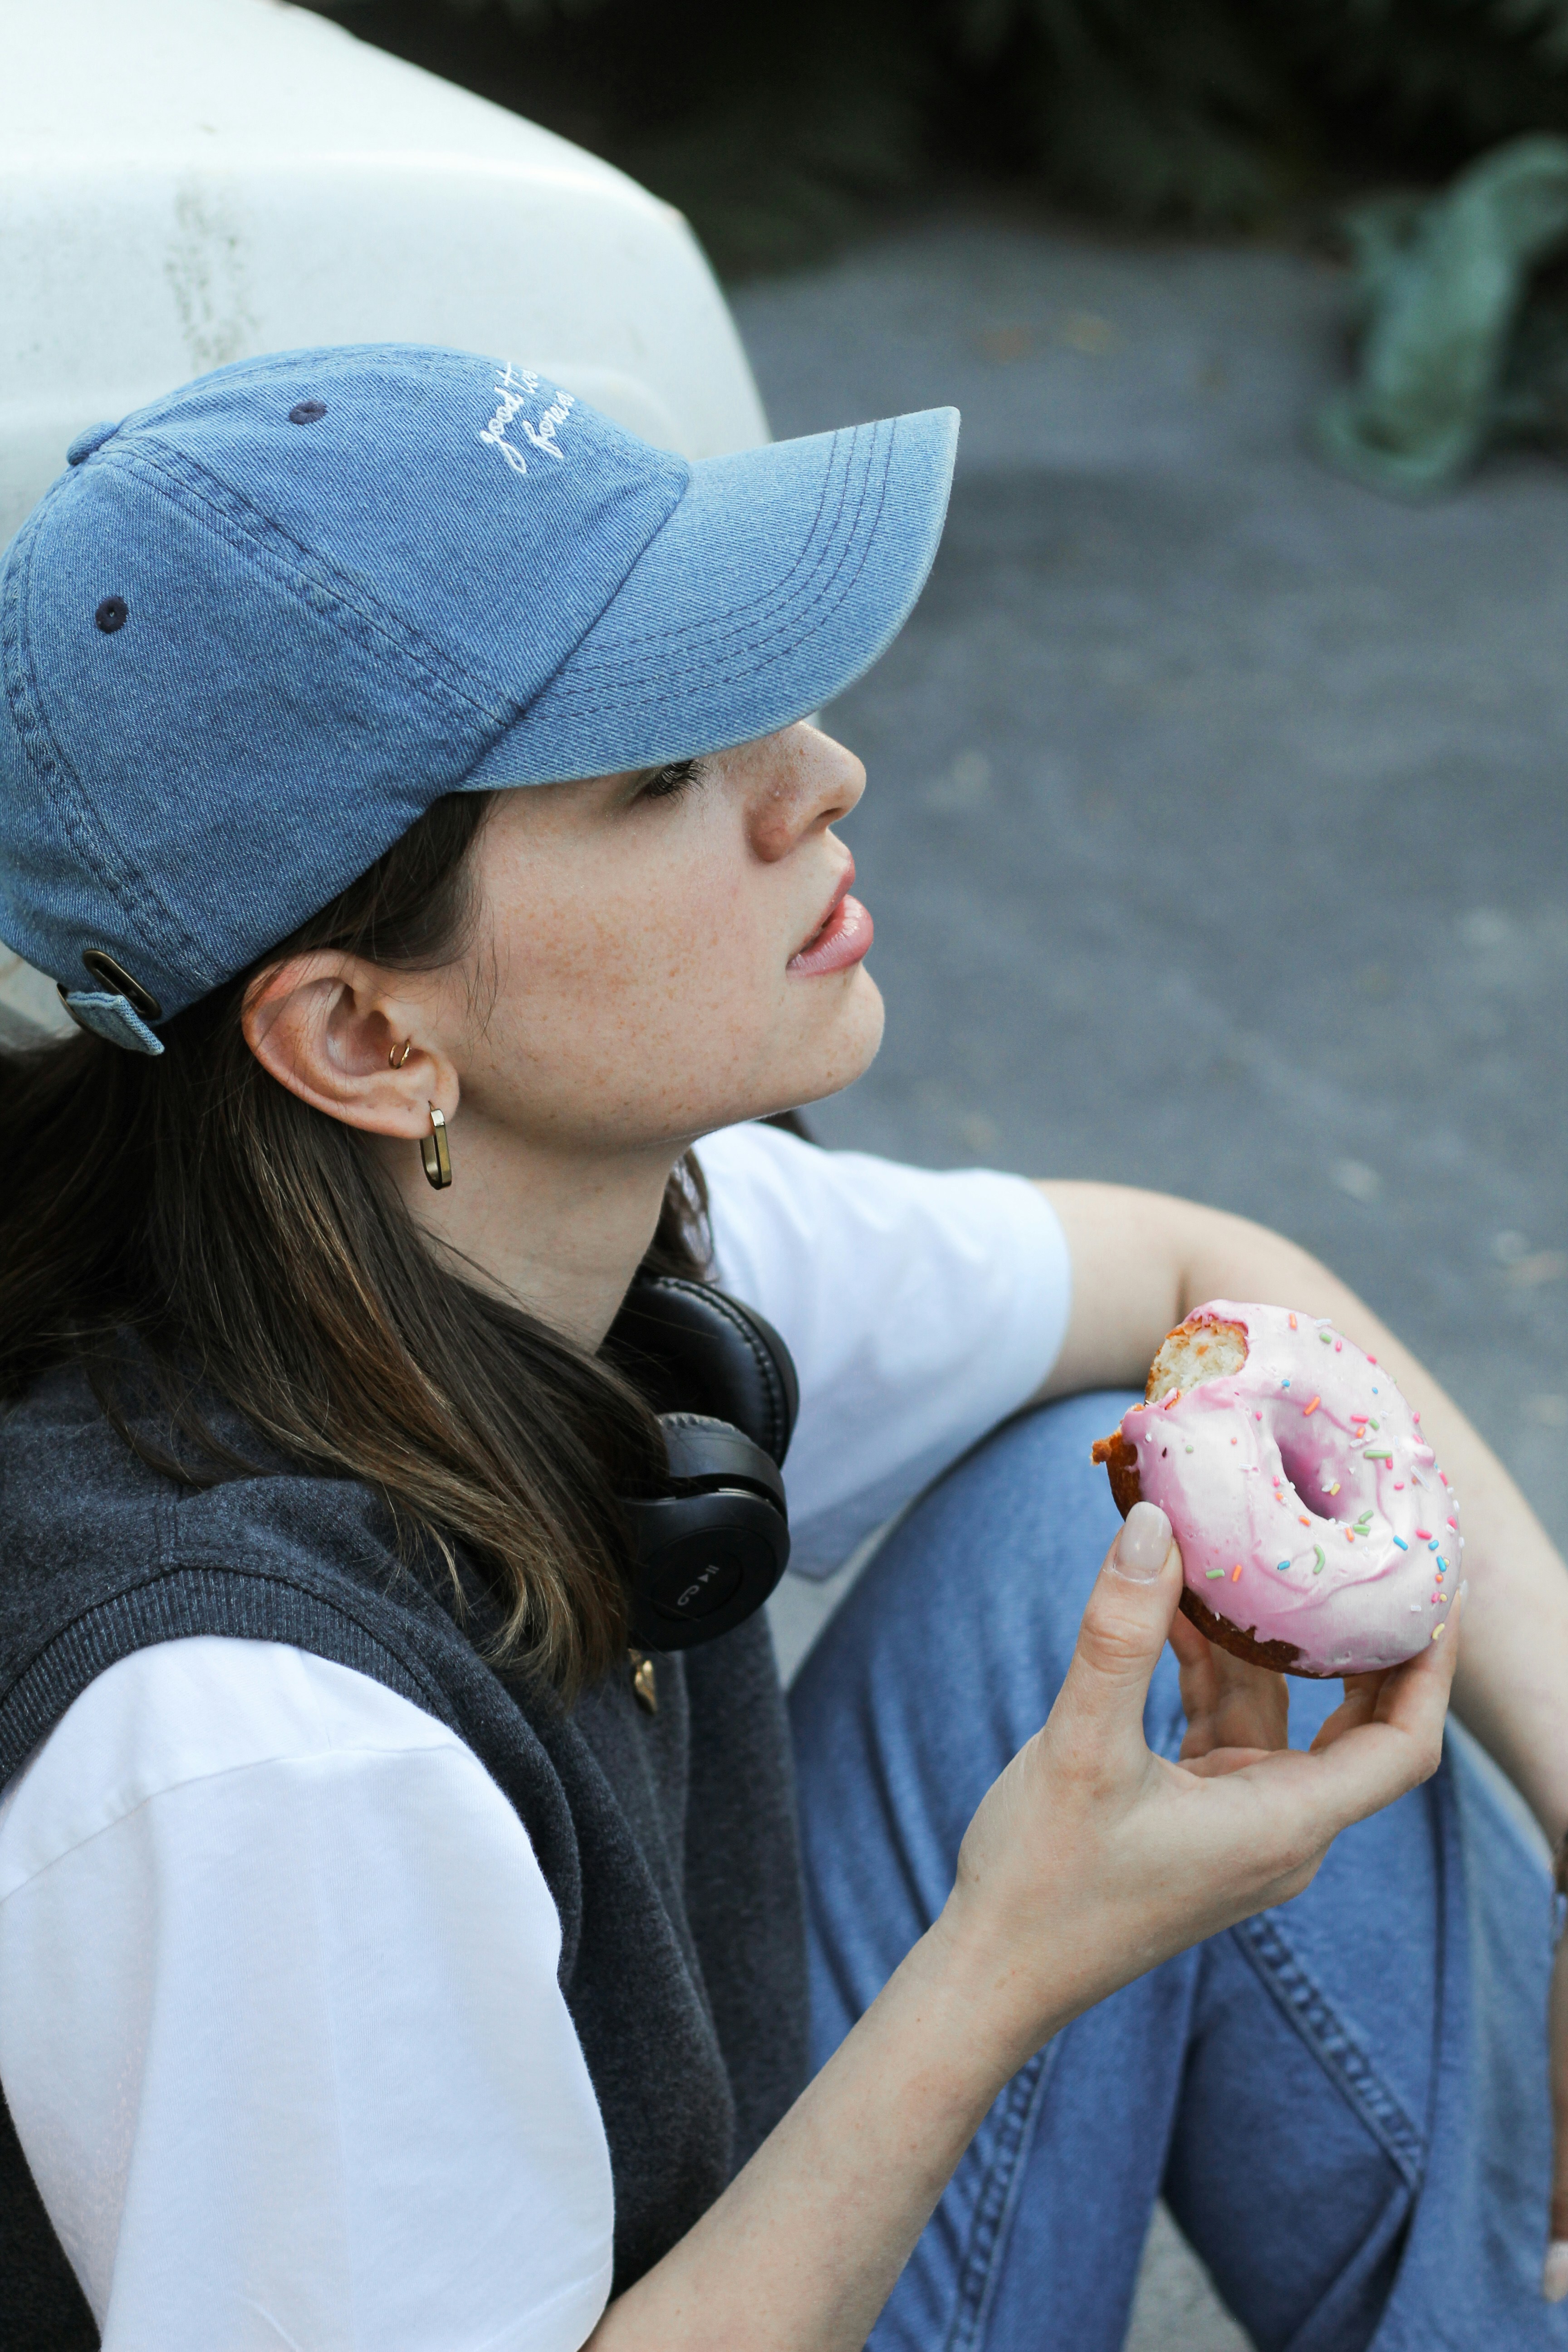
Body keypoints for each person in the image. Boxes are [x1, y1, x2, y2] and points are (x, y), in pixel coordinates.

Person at [0, 343, 1558, 2352]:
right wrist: (1012, 1957)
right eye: (662, 772)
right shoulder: (250, 1745)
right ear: (367, 1038)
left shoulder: (558, 1225)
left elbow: (1205, 1278)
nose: (821, 773)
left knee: (1109, 1498)